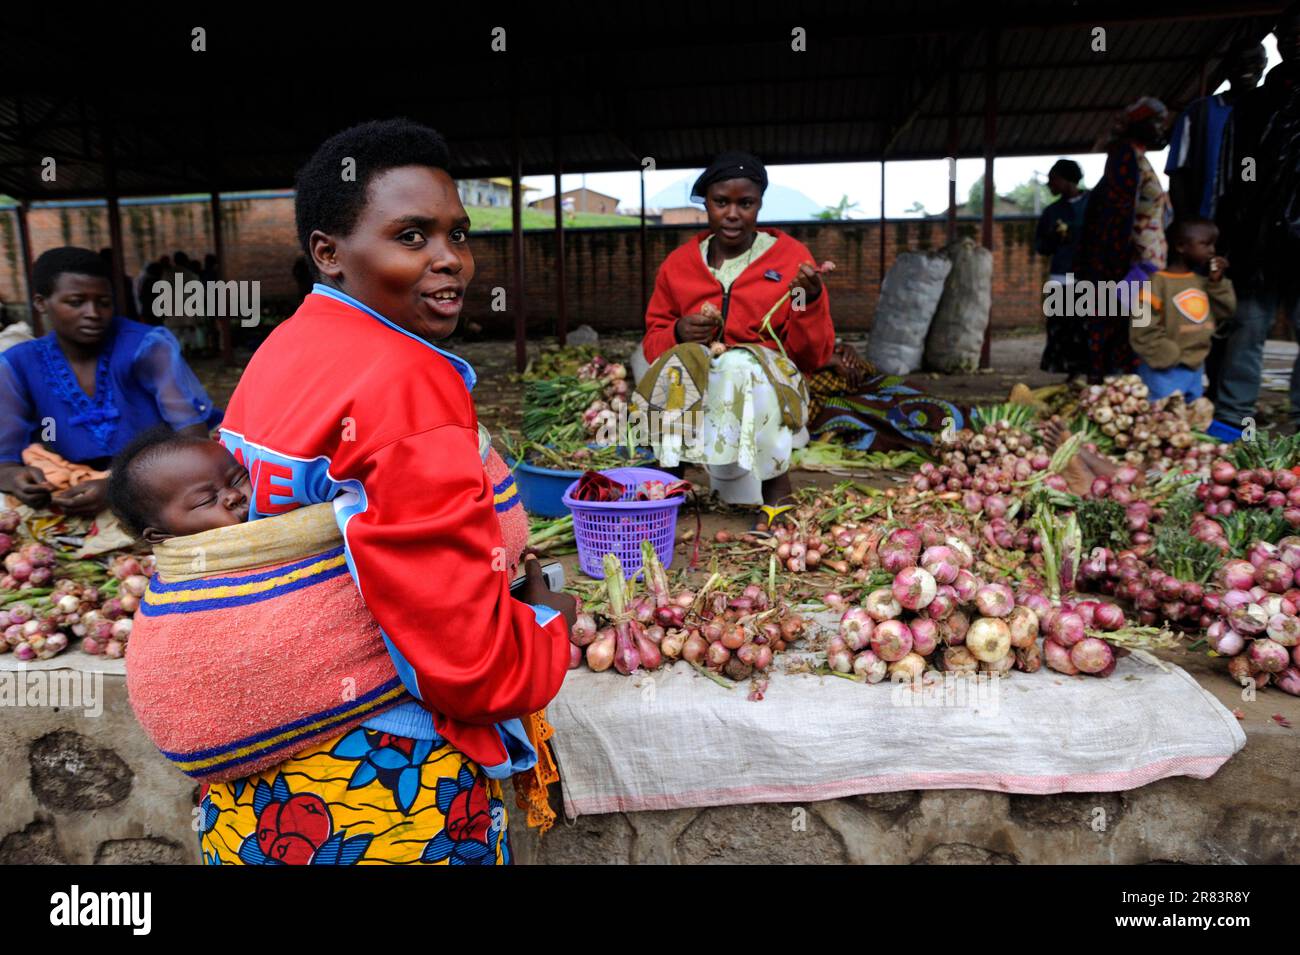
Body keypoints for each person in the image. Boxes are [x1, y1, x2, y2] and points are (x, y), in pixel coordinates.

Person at [188, 119, 573, 865]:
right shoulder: (404, 385)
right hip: (375, 791)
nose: (450, 261)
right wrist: (544, 631)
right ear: (328, 253)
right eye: (412, 237)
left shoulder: (284, 350)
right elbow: (460, 661)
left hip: (261, 786)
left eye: (456, 235)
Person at [633, 151, 835, 519]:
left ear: (759, 204)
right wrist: (678, 331)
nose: (732, 213)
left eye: (745, 203)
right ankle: (670, 476)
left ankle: (776, 492)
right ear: (706, 203)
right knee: (681, 362)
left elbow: (812, 355)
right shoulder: (679, 265)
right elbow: (651, 342)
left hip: (768, 383)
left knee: (741, 363)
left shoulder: (790, 258)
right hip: (700, 377)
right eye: (721, 202)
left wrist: (810, 298)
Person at [0, 247, 222, 516]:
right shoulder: (17, 364)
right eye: (75, 301)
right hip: (70, 485)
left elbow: (193, 440)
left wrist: (116, 488)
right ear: (40, 302)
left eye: (103, 302)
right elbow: (6, 458)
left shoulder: (147, 346)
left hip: (160, 477)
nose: (93, 312)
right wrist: (16, 479)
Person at [1210, 8, 1300, 437]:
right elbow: (1233, 175)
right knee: (1246, 332)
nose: (1296, 39)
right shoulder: (1254, 106)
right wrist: (1225, 241)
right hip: (1256, 239)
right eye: (1288, 33)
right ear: (1277, 40)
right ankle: (1231, 422)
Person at [1076, 97, 1173, 383]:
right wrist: (1120, 272)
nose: (1161, 128)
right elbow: (1117, 215)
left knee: (1131, 328)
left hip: (1142, 266)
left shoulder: (1137, 155)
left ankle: (1120, 386)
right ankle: (1109, 389)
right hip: (1129, 267)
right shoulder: (1124, 155)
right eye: (1156, 121)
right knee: (1119, 326)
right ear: (1138, 124)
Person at [1129, 217, 1235, 401]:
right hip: (1164, 369)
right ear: (1180, 246)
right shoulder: (1156, 284)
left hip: (1195, 367)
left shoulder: (1203, 283)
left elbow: (1227, 310)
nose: (1212, 251)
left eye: (1213, 244)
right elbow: (1141, 326)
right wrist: (1168, 354)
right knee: (1163, 420)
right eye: (1205, 244)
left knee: (1190, 421)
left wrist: (1217, 283)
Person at [1166, 39, 1268, 221]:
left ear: (1264, 64)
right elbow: (1177, 171)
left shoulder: (1272, 110)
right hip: (1207, 221)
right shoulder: (1197, 113)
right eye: (1238, 62)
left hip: (1258, 222)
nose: (1246, 68)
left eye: (1254, 61)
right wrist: (1187, 221)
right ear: (1226, 67)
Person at [1036, 159, 1090, 378]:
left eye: (1053, 180)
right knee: (1061, 327)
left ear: (1068, 180)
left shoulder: (1093, 203)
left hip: (1089, 276)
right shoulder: (1052, 212)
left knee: (1084, 326)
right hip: (1061, 276)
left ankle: (1087, 370)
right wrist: (1054, 237)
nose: (1050, 185)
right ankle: (1071, 373)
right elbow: (1041, 247)